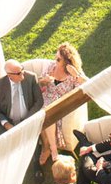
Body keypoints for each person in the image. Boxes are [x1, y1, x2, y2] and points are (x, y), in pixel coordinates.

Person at [37, 43, 86, 176]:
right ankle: (49, 148)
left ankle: (51, 149)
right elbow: (40, 81)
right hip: (46, 97)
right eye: (55, 56)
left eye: (58, 59)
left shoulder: (73, 73)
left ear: (67, 61)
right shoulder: (51, 66)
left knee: (48, 114)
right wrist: (45, 80)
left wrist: (76, 75)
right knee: (43, 112)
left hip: (62, 102)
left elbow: (88, 85)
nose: (55, 60)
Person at [0, 60, 42, 139]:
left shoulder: (31, 78)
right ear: (9, 75)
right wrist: (6, 124)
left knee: (31, 141)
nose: (22, 73)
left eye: (22, 69)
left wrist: (27, 120)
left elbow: (39, 101)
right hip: (8, 120)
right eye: (18, 73)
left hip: (28, 118)